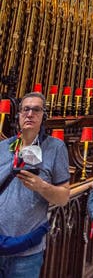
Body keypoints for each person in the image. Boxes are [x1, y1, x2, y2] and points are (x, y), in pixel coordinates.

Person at [0, 91, 70, 278]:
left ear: (43, 116)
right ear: (19, 115)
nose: (30, 114)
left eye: (36, 110)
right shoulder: (3, 146)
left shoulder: (55, 148)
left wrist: (42, 186)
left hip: (26, 252)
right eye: (25, 110)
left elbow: (64, 197)